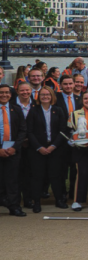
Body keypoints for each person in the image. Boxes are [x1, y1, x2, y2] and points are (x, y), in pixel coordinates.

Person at [26, 86, 68, 212]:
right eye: (43, 94)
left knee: (56, 175)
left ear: (52, 96)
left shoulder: (58, 110)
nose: (45, 97)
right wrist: (39, 147)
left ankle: (59, 200)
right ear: (39, 97)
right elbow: (30, 131)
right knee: (38, 176)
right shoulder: (33, 111)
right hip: (38, 149)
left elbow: (63, 131)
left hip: (54, 149)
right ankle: (37, 202)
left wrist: (53, 146)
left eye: (48, 94)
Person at [0, 84, 28, 216]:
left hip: (13, 150)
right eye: (1, 92)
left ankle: (14, 206)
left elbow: (23, 130)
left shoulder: (16, 109)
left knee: (12, 180)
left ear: (11, 95)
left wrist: (14, 147)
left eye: (7, 92)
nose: (4, 95)